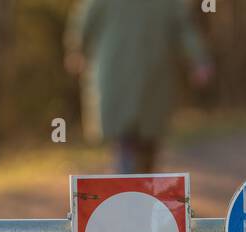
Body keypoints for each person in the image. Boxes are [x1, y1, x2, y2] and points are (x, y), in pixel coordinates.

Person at [65, 0, 213, 174]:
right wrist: (199, 60)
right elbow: (185, 30)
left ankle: (131, 187)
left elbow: (82, 26)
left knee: (132, 144)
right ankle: (135, 187)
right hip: (151, 82)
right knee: (137, 145)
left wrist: (75, 52)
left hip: (121, 81)